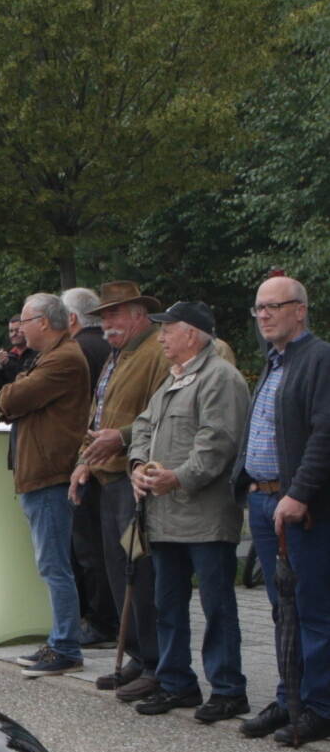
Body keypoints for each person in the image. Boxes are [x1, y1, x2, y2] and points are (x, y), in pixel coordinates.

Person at [125, 301, 250, 720]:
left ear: (193, 335)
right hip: (165, 517)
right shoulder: (174, 379)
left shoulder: (220, 378)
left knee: (217, 607)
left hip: (206, 518)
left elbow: (217, 443)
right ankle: (177, 683)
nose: (160, 337)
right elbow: (143, 425)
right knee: (168, 604)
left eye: (167, 330)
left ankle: (229, 689)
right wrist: (139, 466)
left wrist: (177, 477)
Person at [235, 273, 330, 745]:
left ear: (300, 310)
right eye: (259, 308)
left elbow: (324, 434)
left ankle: (320, 706)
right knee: (280, 610)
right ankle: (289, 696)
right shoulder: (273, 363)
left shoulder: (319, 359)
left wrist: (300, 493)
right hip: (264, 500)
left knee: (313, 609)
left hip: (300, 507)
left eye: (275, 306)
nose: (265, 315)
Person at [70, 282, 173, 702]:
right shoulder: (119, 353)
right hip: (106, 476)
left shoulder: (155, 352)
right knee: (119, 572)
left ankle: (156, 661)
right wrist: (83, 461)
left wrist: (123, 439)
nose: (106, 324)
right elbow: (98, 416)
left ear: (138, 314)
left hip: (132, 477)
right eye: (103, 317)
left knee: (139, 573)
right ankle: (137, 653)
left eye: (114, 315)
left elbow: (160, 415)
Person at [0, 293, 92, 677]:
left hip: (50, 472)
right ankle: (61, 639)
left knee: (54, 564)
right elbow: (16, 396)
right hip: (41, 471)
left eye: (25, 319)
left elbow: (11, 397)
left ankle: (66, 645)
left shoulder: (63, 359)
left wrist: (17, 384)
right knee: (51, 562)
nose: (19, 327)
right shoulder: (50, 357)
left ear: (45, 322)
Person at [59, 286, 119, 644]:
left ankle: (99, 619)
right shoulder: (111, 351)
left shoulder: (77, 349)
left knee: (87, 547)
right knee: (101, 545)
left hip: (88, 456)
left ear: (70, 318)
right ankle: (104, 617)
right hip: (101, 455)